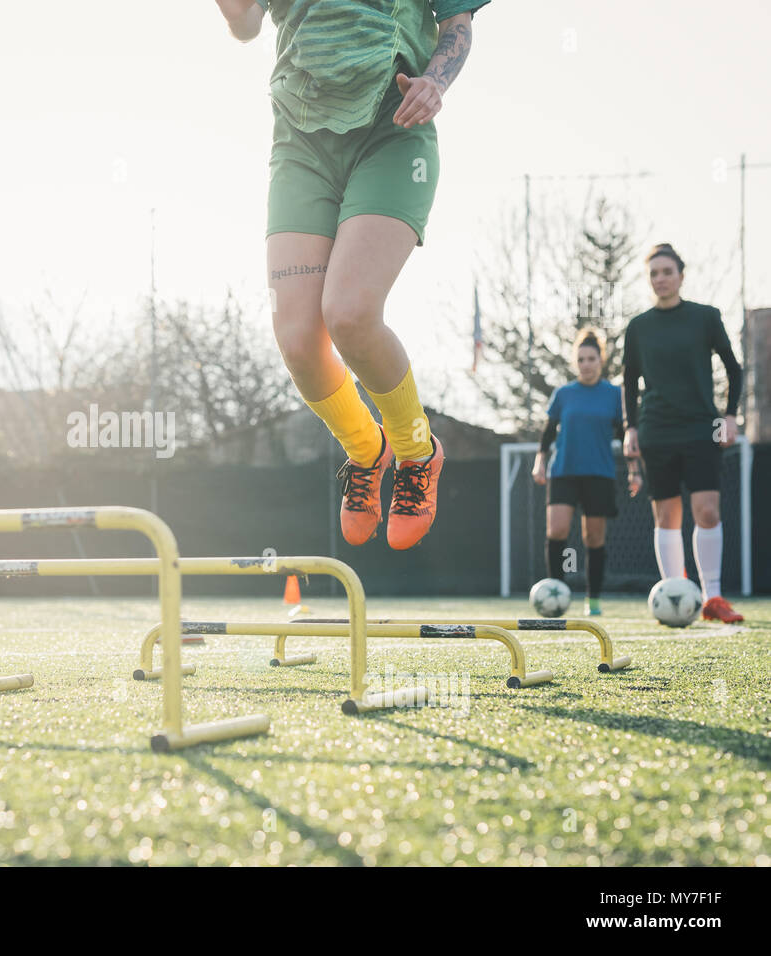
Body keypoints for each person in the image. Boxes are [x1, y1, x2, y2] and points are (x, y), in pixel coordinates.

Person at [215, 0, 487, 549]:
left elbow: (458, 24)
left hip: (393, 127)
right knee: (298, 341)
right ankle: (366, 451)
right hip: (300, 142)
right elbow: (246, 27)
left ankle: (416, 452)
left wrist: (436, 81)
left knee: (351, 314)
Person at [622, 243, 744, 623]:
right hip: (656, 430)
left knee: (707, 511)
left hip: (701, 428)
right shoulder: (638, 327)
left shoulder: (705, 317)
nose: (661, 279)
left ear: (681, 275)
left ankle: (713, 598)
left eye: (667, 272)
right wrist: (630, 427)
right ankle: (675, 592)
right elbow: (629, 383)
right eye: (654, 273)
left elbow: (733, 368)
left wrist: (729, 415)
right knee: (667, 517)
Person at [531, 328, 622, 616]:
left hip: (599, 473)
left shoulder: (614, 394)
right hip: (563, 472)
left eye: (591, 359)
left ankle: (593, 599)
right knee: (556, 530)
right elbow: (548, 432)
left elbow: (623, 434)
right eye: (581, 359)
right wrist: (540, 461)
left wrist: (635, 470)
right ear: (576, 361)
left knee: (593, 538)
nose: (586, 364)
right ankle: (556, 593)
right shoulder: (564, 394)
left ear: (600, 361)